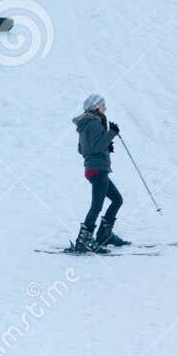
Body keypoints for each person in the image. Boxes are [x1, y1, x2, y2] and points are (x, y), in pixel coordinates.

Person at [71, 93, 130, 251]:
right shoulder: (95, 123)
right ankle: (83, 241)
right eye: (103, 105)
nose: (105, 108)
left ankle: (104, 235)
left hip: (93, 169)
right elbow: (96, 147)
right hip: (98, 170)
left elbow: (82, 149)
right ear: (97, 107)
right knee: (97, 206)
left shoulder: (85, 123)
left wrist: (106, 145)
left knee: (117, 200)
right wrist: (112, 134)